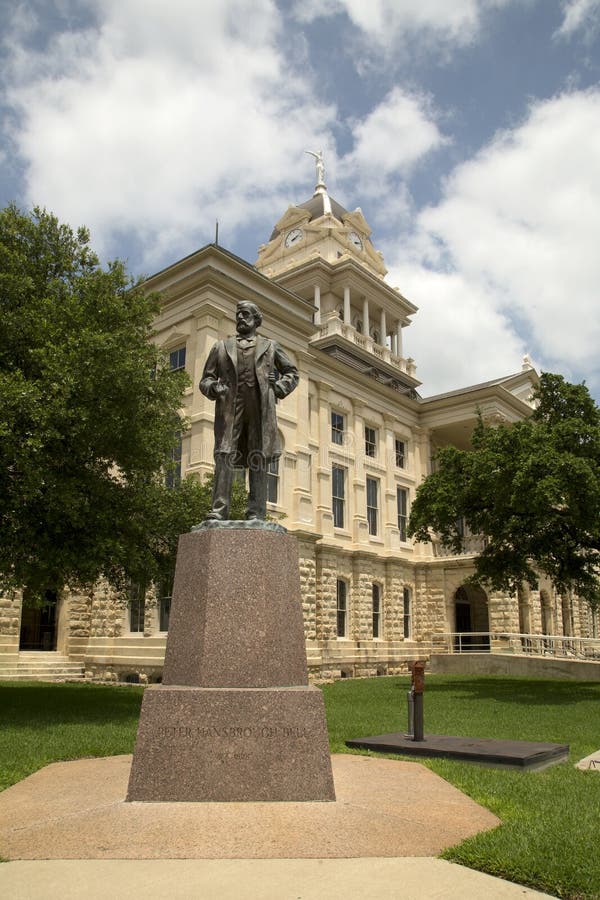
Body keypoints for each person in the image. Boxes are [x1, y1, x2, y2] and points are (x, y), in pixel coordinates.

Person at [199, 300, 299, 521]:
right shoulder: (221, 347)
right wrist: (215, 387)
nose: (240, 318)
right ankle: (218, 510)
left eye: (245, 314)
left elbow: (292, 372)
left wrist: (279, 387)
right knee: (224, 455)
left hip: (259, 409)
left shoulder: (270, 346)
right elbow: (205, 380)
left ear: (256, 320)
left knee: (257, 456)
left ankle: (256, 512)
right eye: (238, 315)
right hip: (229, 408)